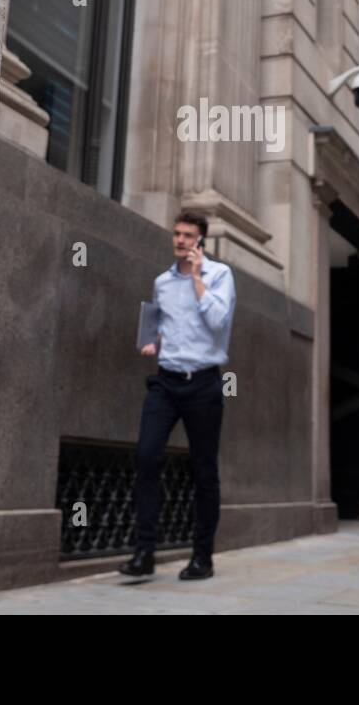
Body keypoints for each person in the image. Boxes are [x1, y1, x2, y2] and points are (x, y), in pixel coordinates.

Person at [119, 211, 237, 581]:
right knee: (147, 456)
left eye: (188, 235)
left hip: (203, 383)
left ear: (201, 241)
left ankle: (203, 557)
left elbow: (219, 322)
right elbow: (158, 324)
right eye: (177, 234)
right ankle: (144, 552)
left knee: (204, 470)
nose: (180, 240)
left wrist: (199, 279)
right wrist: (150, 343)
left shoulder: (220, 276)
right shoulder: (162, 283)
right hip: (166, 382)